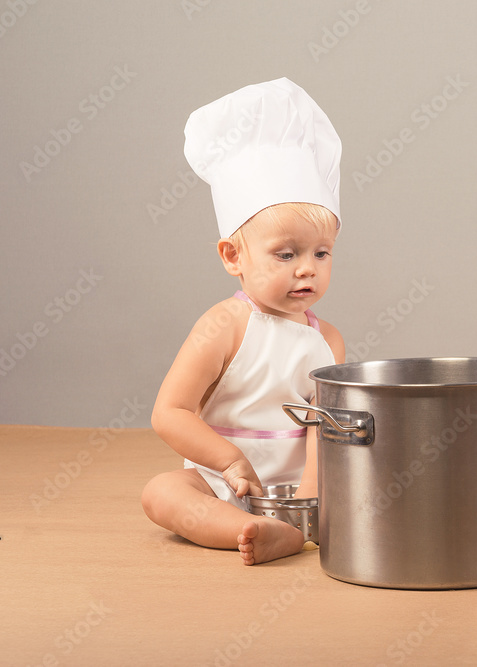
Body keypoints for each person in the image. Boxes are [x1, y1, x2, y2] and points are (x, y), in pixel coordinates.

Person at [140, 78, 346, 565]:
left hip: (299, 485)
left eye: (321, 253)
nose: (306, 268)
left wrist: (310, 500)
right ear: (233, 256)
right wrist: (229, 461)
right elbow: (170, 413)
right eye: (285, 254)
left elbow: (324, 428)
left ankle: (289, 528)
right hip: (219, 478)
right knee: (163, 491)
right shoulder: (224, 324)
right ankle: (246, 526)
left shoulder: (328, 340)